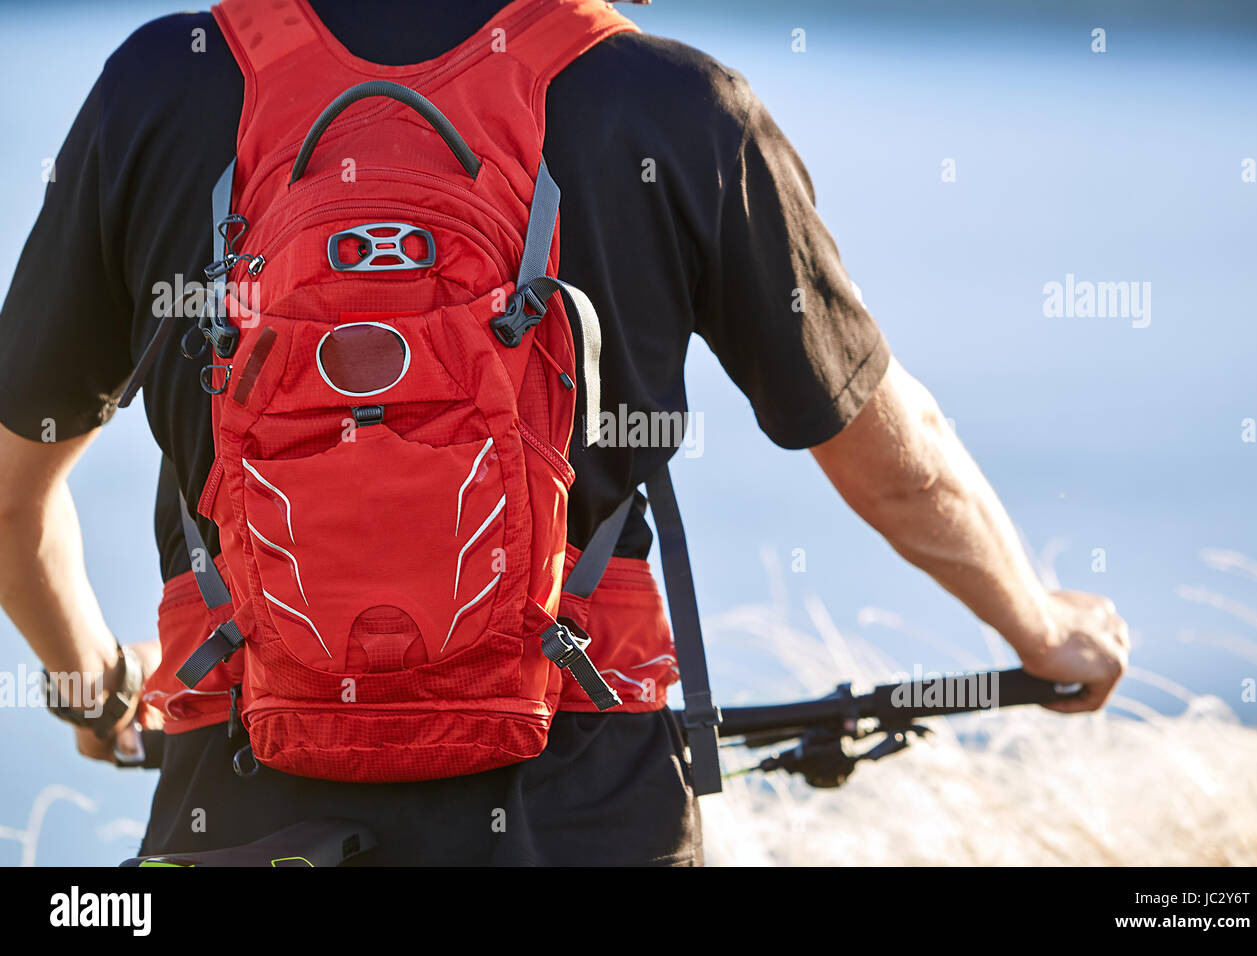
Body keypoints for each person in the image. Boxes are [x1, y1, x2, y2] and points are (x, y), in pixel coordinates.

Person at [0, 0, 1127, 866]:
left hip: (239, 811)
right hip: (586, 820)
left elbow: (12, 494)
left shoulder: (164, 82)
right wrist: (1041, 626)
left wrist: (85, 680)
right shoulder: (670, 104)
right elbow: (889, 457)